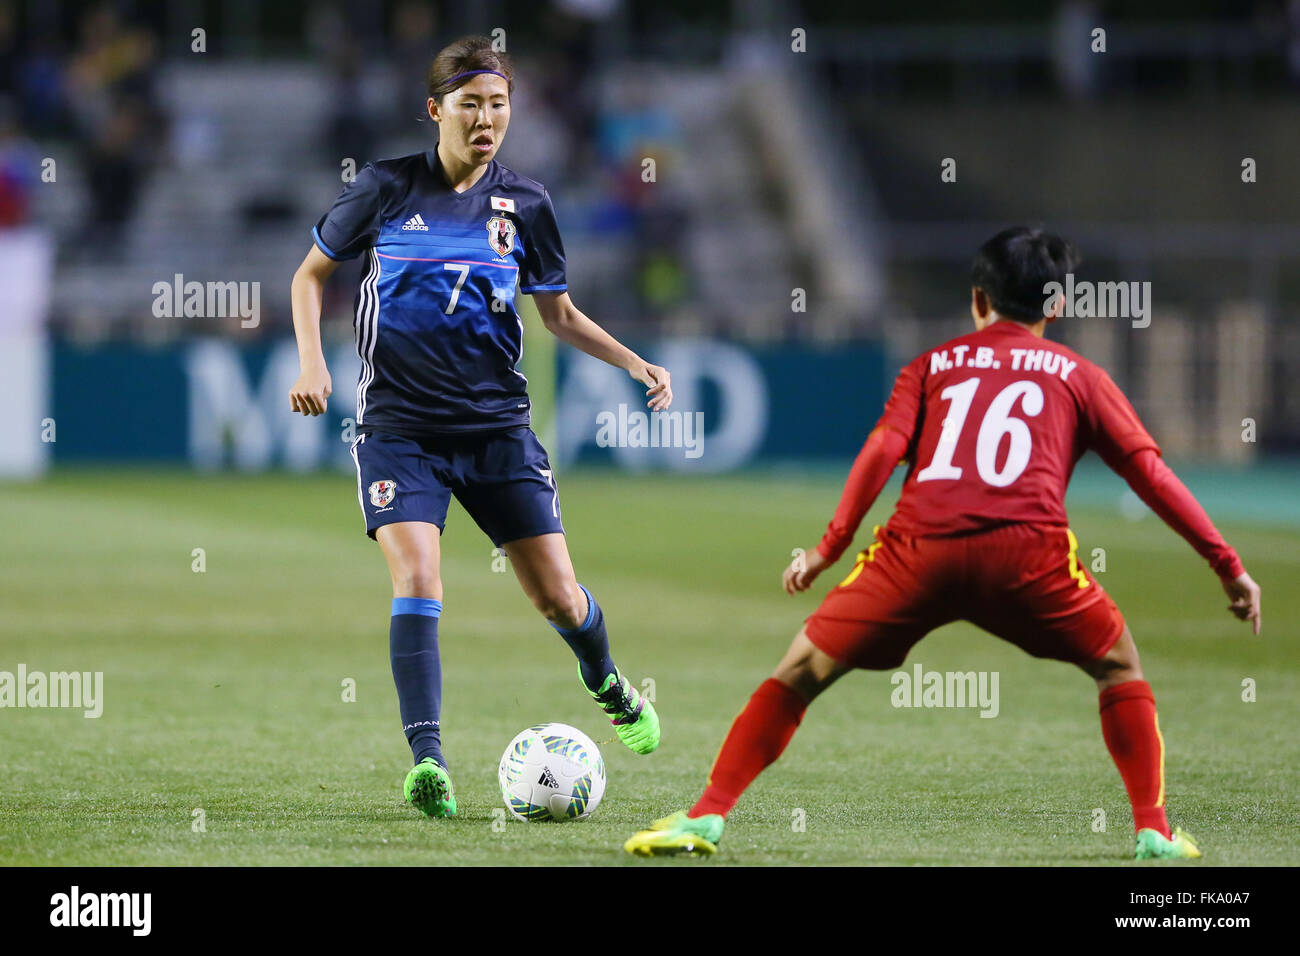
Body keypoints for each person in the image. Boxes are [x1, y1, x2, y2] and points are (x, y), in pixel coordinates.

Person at [625, 227, 1262, 859]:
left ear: (979, 299)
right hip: (1027, 557)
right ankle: (1153, 830)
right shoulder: (1081, 376)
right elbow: (1150, 474)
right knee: (1119, 667)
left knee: (800, 671)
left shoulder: (931, 367)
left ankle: (706, 816)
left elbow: (882, 451)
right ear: (1057, 305)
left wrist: (829, 547)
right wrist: (1227, 567)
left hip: (917, 551)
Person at [289, 36, 670, 818]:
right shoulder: (387, 188)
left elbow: (557, 313)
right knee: (419, 579)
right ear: (436, 110)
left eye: (498, 104)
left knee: (560, 599)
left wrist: (635, 364)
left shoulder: (525, 204)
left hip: (498, 433)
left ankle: (605, 680)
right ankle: (428, 763)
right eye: (471, 105)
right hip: (400, 431)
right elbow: (309, 274)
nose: (487, 118)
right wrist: (311, 364)